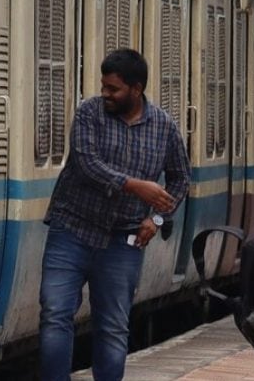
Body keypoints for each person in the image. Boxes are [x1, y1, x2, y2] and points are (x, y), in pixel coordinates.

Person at [39, 48, 189, 381]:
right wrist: (136, 186)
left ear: (136, 89)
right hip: (72, 229)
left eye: (113, 89)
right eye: (104, 87)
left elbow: (180, 179)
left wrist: (158, 219)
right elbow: (87, 164)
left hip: (124, 240)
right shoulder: (89, 113)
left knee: (112, 326)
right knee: (55, 314)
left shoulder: (164, 127)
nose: (105, 94)